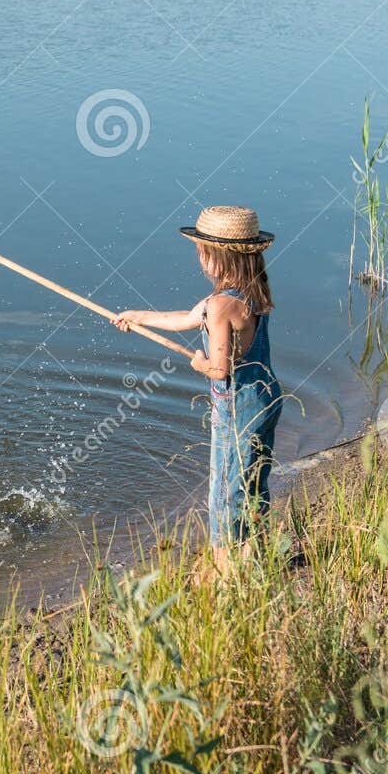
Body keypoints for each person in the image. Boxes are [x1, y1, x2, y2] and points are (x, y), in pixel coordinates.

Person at [112, 206, 282, 569]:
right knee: (252, 483)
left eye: (202, 253)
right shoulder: (250, 294)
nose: (199, 260)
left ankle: (225, 572)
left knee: (224, 491)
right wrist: (137, 317)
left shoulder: (220, 306)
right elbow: (188, 319)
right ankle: (256, 557)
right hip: (267, 397)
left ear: (217, 259)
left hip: (239, 407)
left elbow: (219, 370)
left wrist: (198, 363)